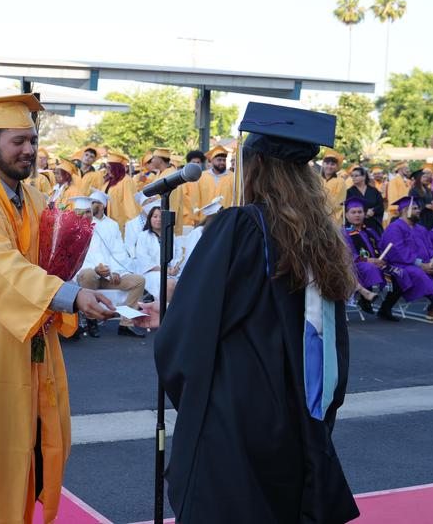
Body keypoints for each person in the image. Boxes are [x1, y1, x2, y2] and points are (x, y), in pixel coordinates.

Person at [146, 102, 359, 523]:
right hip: (297, 420)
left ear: (255, 165)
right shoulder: (324, 240)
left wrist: (168, 320)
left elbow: (185, 338)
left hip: (234, 421)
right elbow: (333, 349)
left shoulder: (241, 227)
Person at [0, 93, 115, 523]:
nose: (28, 150)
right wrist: (69, 296)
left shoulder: (36, 199)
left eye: (33, 141)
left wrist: (82, 287)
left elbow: (49, 264)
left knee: (38, 447)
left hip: (35, 339)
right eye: (18, 140)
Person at [75, 189, 146, 338]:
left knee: (139, 281)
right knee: (89, 274)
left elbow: (118, 252)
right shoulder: (75, 228)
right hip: (88, 276)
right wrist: (96, 269)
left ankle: (126, 324)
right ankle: (91, 321)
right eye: (91, 204)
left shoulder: (112, 225)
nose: (88, 213)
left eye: (96, 204)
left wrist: (115, 271)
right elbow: (80, 257)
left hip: (108, 275)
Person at [380, 197, 433, 322]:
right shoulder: (395, 228)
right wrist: (422, 265)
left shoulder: (421, 229)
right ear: (404, 211)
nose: (419, 211)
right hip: (400, 265)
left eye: (418, 208)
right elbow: (398, 252)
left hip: (425, 265)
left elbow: (431, 249)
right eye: (415, 208)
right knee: (418, 274)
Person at [341, 196, 401, 317]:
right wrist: (369, 260)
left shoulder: (370, 231)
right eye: (353, 212)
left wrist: (383, 259)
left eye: (360, 212)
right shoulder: (343, 232)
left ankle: (385, 308)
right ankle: (365, 297)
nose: (357, 215)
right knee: (369, 268)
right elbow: (347, 254)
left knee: (400, 274)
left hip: (376, 264)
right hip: (355, 265)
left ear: (364, 214)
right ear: (346, 215)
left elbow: (380, 248)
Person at [133, 204, 184, 302]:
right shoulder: (143, 236)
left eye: (161, 217)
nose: (158, 219)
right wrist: (165, 270)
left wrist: (175, 267)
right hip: (152, 272)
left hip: (172, 272)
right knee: (170, 284)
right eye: (155, 216)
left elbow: (178, 254)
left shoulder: (170, 235)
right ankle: (165, 312)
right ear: (150, 218)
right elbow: (144, 260)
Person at [193, 145, 234, 223]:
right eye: (219, 160)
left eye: (224, 160)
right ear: (211, 161)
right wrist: (196, 219)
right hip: (204, 220)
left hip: (225, 220)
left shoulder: (233, 177)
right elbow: (196, 199)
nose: (222, 162)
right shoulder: (202, 176)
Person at [148, 147, 184, 235]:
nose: (151, 160)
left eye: (153, 158)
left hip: (167, 221)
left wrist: (168, 222)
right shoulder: (160, 173)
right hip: (159, 219)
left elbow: (173, 201)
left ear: (160, 160)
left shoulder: (171, 175)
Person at [102, 152, 138, 234]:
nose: (107, 171)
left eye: (109, 168)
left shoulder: (126, 181)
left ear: (116, 168)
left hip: (120, 223)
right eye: (106, 168)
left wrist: (132, 225)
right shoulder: (109, 180)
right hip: (107, 221)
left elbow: (130, 204)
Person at [346, 166, 384, 236]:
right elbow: (347, 208)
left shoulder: (373, 191)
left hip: (373, 222)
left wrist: (374, 211)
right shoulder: (349, 192)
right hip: (356, 224)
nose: (353, 178)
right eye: (352, 176)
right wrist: (365, 211)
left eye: (356, 176)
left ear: (364, 177)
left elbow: (380, 205)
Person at [124, 192, 157, 258]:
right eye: (150, 203)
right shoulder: (131, 224)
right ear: (143, 205)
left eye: (155, 202)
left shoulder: (160, 221)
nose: (153, 206)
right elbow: (130, 247)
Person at [180, 149, 205, 227]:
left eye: (198, 162)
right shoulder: (184, 178)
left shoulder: (204, 177)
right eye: (193, 162)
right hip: (188, 218)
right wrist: (195, 217)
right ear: (188, 163)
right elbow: (185, 198)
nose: (196, 164)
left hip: (201, 217)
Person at [321, 149, 347, 218]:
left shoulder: (340, 181)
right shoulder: (318, 179)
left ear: (336, 167)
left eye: (332, 164)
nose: (329, 167)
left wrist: (324, 209)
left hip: (334, 216)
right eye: (327, 163)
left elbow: (339, 200)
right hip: (318, 214)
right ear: (323, 164)